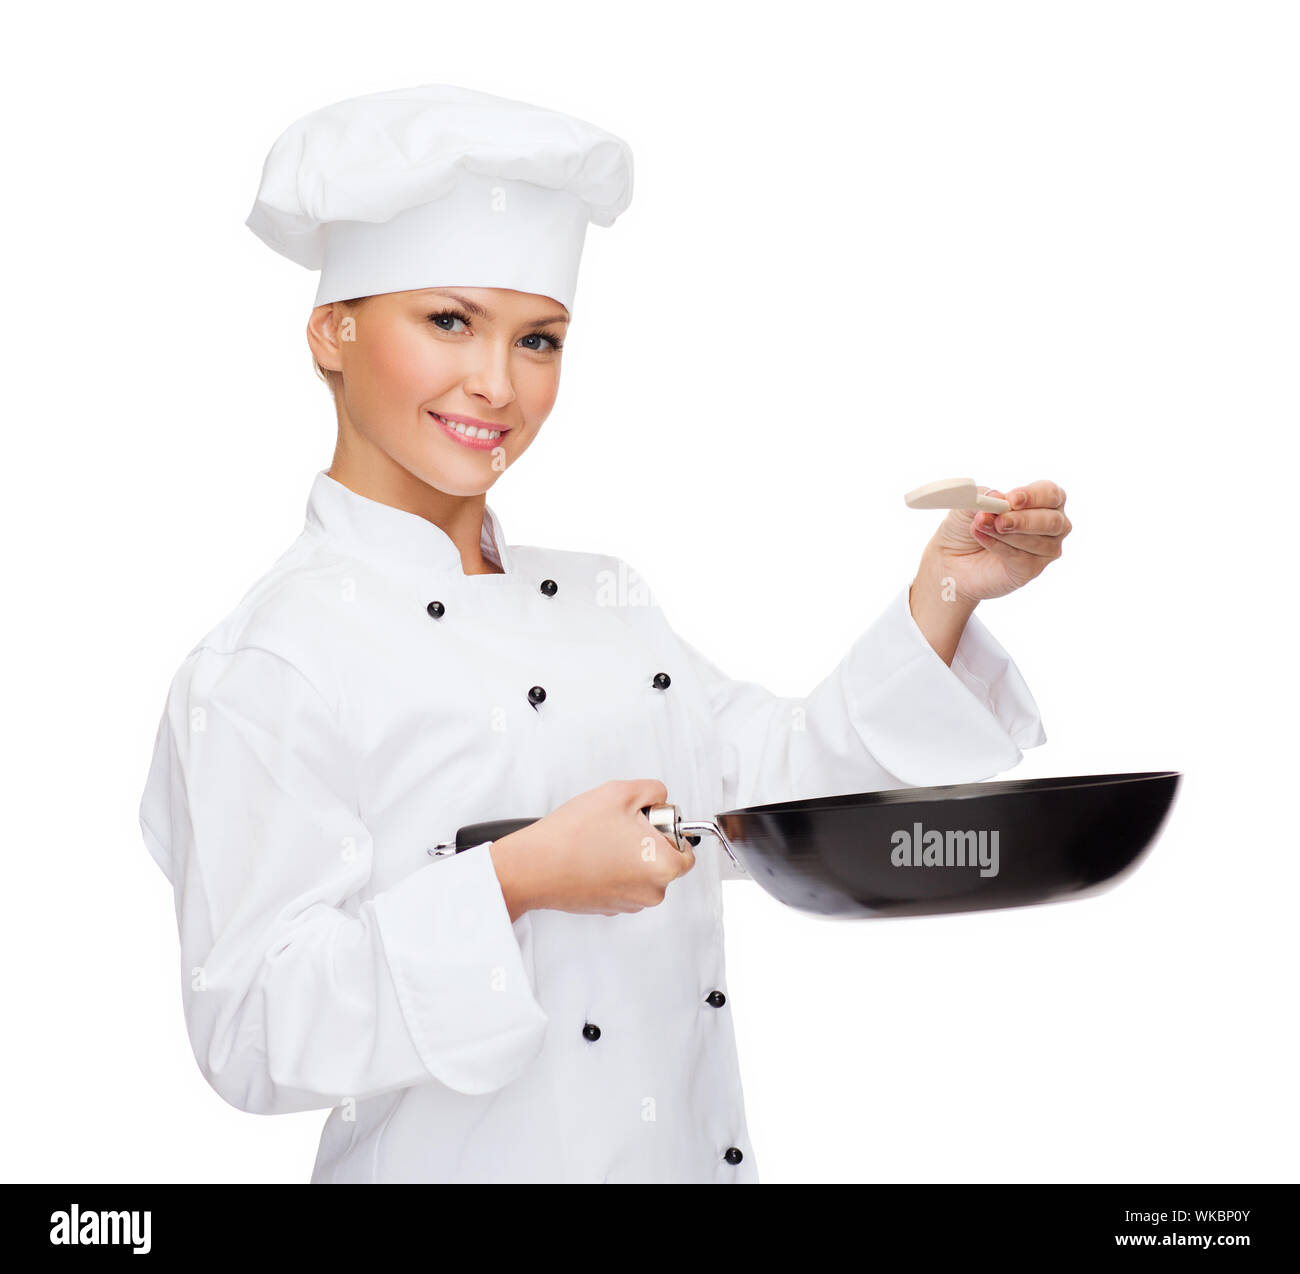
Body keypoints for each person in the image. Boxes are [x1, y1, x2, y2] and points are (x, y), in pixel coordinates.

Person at [138, 83, 1069, 1184]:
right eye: (449, 320)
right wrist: (516, 880)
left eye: (538, 338)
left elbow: (773, 795)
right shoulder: (271, 660)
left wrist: (946, 592)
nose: (497, 382)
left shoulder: (601, 600)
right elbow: (252, 1026)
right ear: (330, 331)